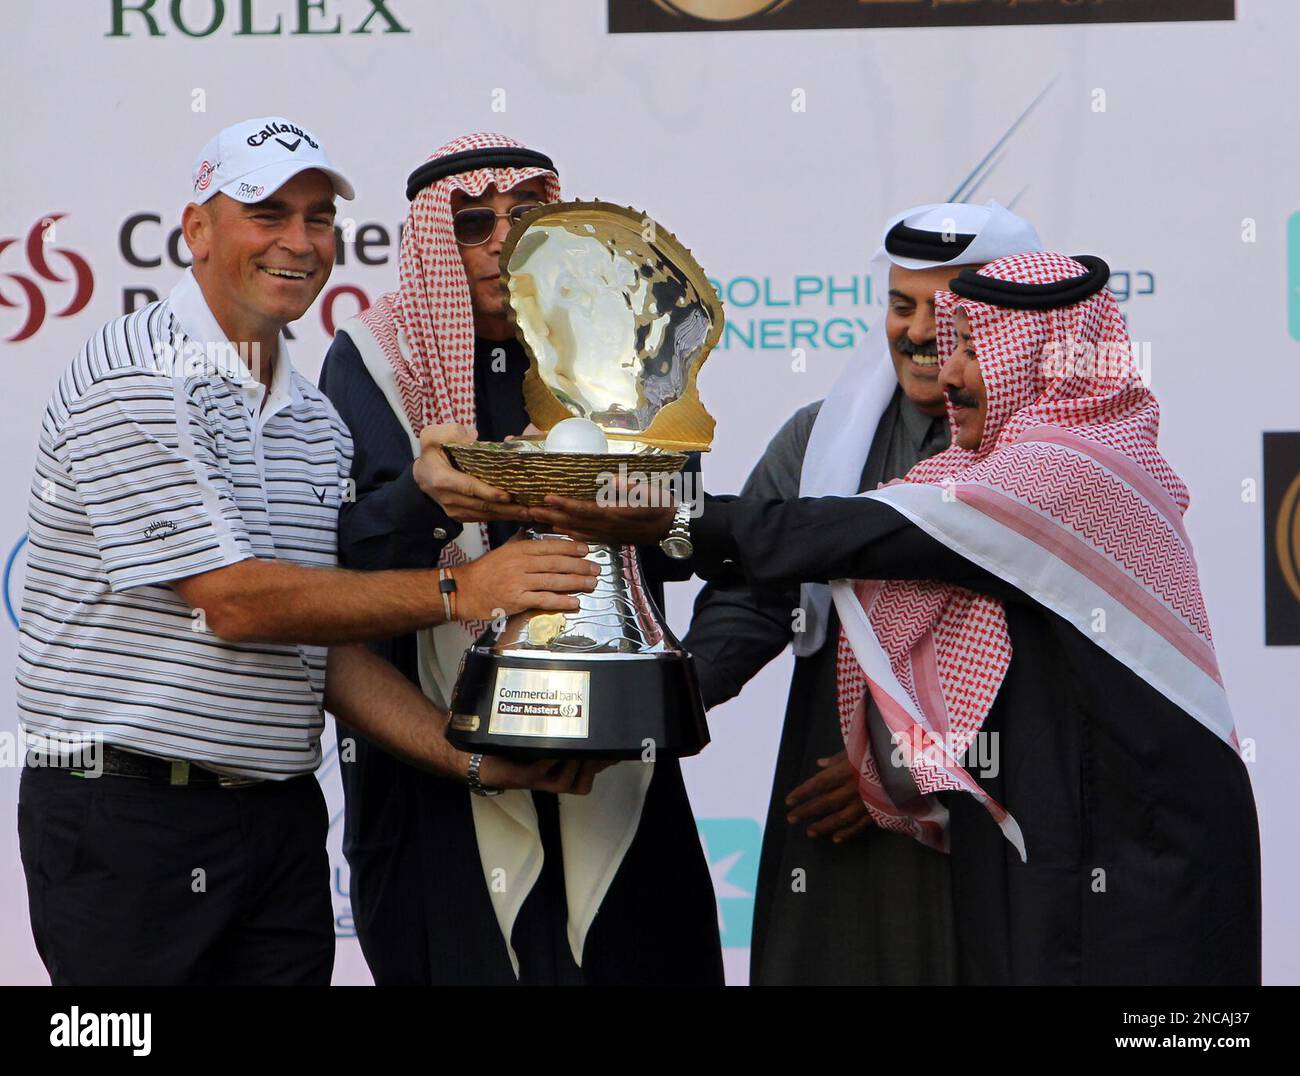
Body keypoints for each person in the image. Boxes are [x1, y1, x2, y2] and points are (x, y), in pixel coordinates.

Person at [540, 251, 1262, 985]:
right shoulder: (997, 467)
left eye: (974, 349)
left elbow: (862, 531)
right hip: (1048, 837)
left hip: (1142, 848)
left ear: (1045, 357)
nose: (946, 375)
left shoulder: (1065, 471)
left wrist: (674, 519)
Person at [15, 117, 601, 987]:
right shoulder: (137, 376)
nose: (299, 241)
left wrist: (469, 755)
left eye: (318, 216)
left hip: (279, 824)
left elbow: (318, 650)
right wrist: (464, 589)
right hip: (125, 821)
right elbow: (240, 603)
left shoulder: (312, 419)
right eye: (267, 212)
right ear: (197, 228)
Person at [317, 132, 722, 986]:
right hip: (442, 749)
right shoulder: (376, 359)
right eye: (473, 222)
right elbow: (338, 558)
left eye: (526, 214)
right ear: (435, 243)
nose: (504, 237)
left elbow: (686, 533)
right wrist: (433, 502)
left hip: (610, 736)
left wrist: (632, 509)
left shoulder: (609, 332)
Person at [680, 202, 1042, 985]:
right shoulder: (822, 435)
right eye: (901, 304)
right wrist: (678, 688)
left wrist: (893, 766)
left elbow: (1043, 647)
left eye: (945, 312)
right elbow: (757, 587)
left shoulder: (1046, 458)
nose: (915, 333)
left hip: (994, 798)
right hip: (830, 799)